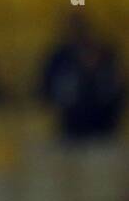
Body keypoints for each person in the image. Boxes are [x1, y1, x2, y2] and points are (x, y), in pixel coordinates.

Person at [40, 12, 126, 141]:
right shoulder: (59, 59)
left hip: (105, 134)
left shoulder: (107, 57)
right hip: (71, 133)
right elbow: (46, 93)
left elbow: (118, 96)